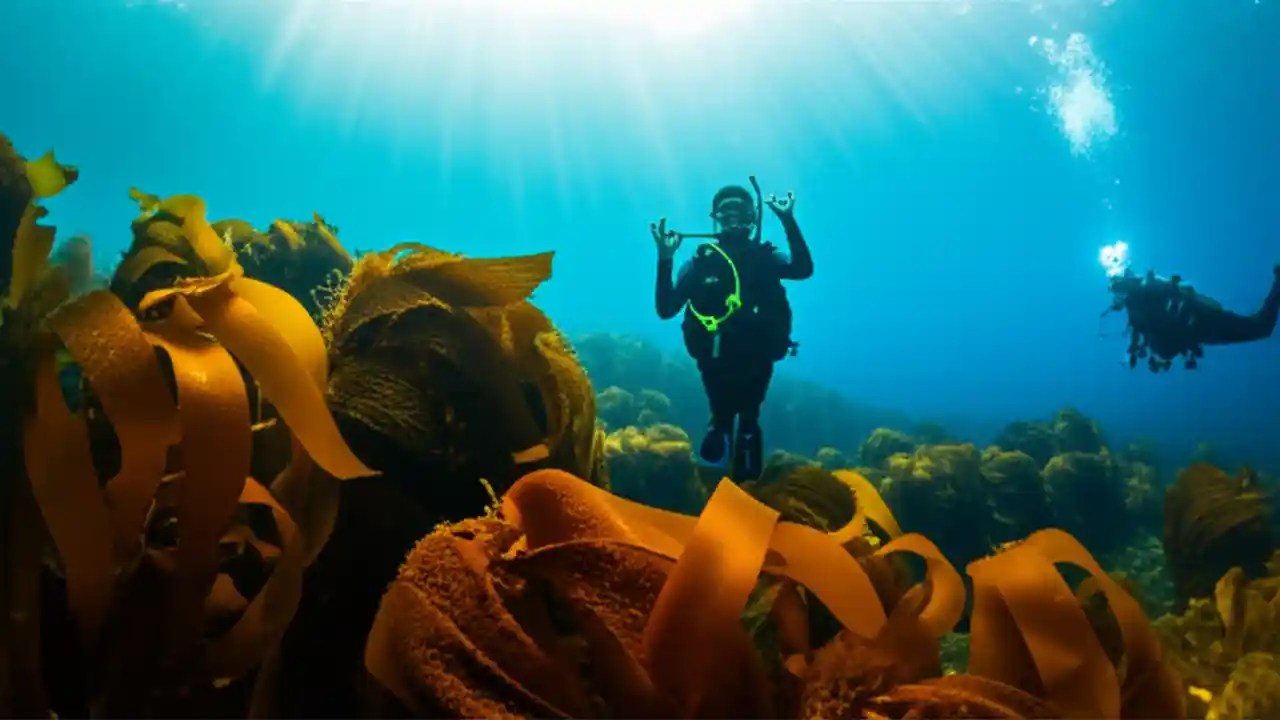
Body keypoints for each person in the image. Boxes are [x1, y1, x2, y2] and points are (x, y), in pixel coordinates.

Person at [652, 179, 813, 481]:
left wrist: (788, 220)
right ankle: (723, 427)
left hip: (759, 352)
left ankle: (742, 433)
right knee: (724, 412)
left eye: (740, 213)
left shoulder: (765, 256)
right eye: (726, 214)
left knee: (750, 413)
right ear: (716, 220)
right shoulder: (701, 263)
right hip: (715, 356)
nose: (734, 220)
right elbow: (666, 309)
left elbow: (802, 269)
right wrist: (665, 259)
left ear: (753, 219)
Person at [1106, 265, 1280, 371]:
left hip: (1202, 329)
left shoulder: (1138, 315)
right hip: (1204, 320)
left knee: (1261, 328)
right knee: (1261, 328)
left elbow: (1165, 350)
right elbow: (1185, 291)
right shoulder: (1147, 294)